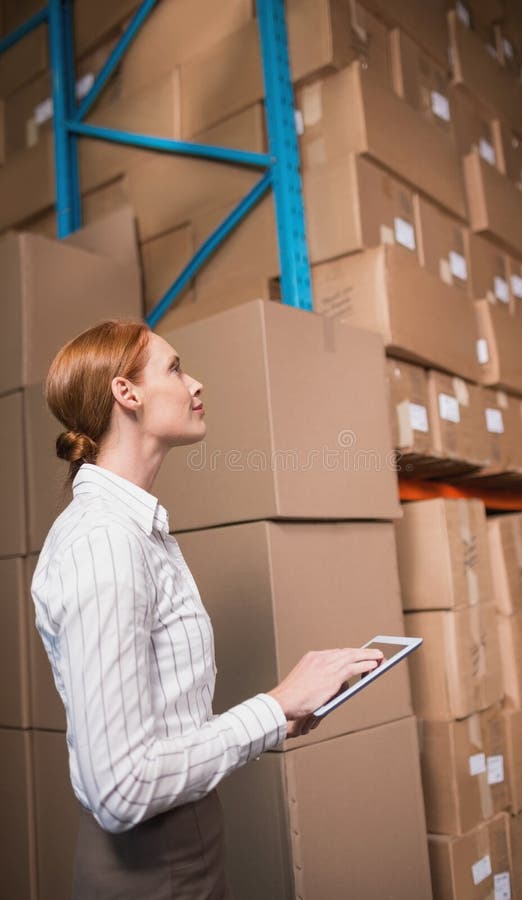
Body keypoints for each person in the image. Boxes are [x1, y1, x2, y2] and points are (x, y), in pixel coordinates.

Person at [31, 318, 384, 899]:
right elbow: (121, 788)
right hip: (151, 870)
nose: (195, 383)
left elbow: (165, 727)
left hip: (186, 850)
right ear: (126, 393)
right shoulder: (105, 543)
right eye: (174, 369)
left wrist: (278, 721)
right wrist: (274, 704)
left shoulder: (135, 531)